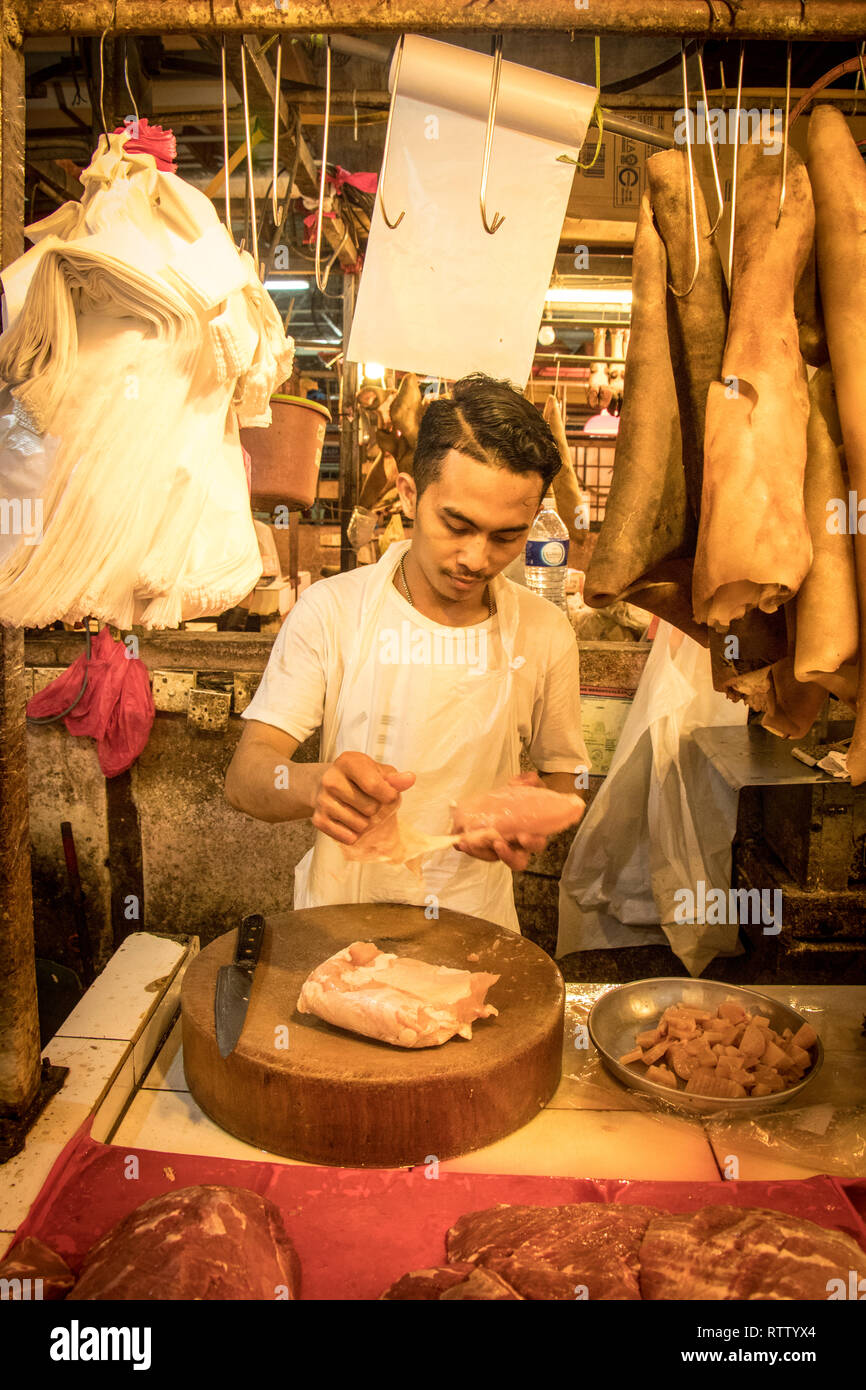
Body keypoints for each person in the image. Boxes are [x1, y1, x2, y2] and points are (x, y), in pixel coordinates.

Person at [225, 372, 590, 932]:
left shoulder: (545, 633)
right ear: (410, 494)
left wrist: (528, 819)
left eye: (505, 537)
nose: (475, 557)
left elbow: (566, 781)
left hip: (477, 928)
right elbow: (247, 776)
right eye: (457, 524)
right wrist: (312, 785)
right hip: (340, 927)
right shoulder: (333, 611)